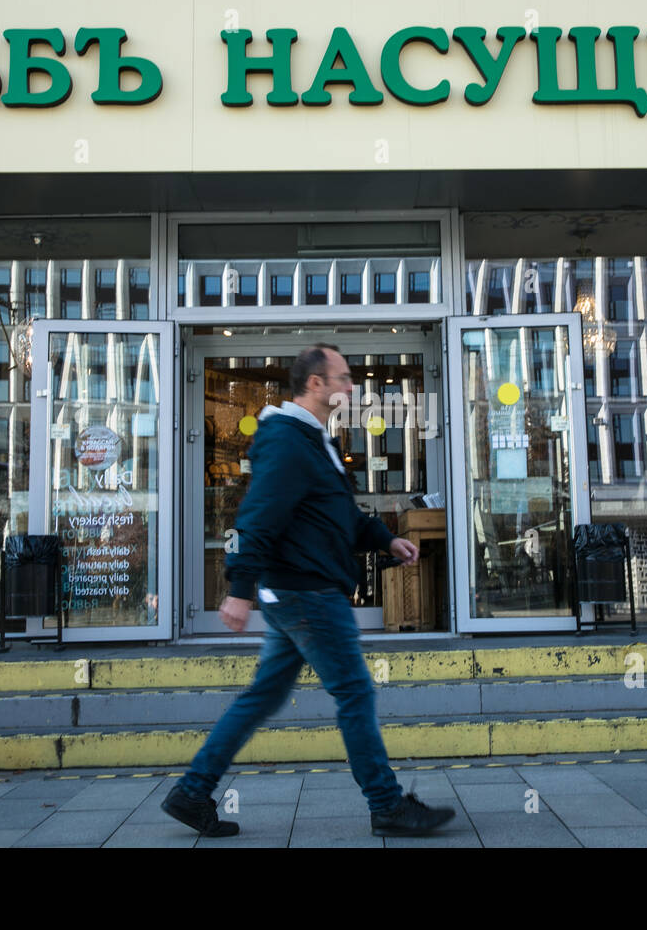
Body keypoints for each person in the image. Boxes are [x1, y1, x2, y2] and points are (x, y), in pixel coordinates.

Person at [162, 344, 455, 838]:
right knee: (356, 692)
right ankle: (386, 804)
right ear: (315, 385)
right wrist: (239, 587)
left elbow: (336, 516)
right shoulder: (288, 440)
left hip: (298, 591)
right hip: (307, 593)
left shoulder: (314, 439)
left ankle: (192, 792)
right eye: (342, 378)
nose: (351, 387)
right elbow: (259, 515)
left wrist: (386, 539)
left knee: (262, 697)